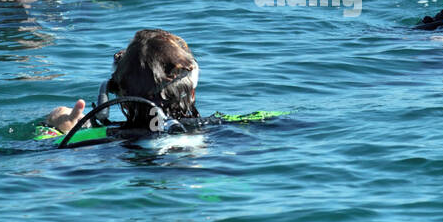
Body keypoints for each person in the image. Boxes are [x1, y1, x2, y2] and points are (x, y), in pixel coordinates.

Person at [37, 29, 283, 146]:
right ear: (191, 90)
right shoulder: (232, 126)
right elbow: (287, 123)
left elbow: (32, 155)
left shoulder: (93, 138)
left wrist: (57, 126)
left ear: (119, 95)